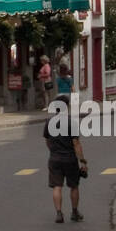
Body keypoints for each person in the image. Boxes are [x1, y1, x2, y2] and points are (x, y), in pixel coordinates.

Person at [44, 93, 88, 222]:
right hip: (70, 159)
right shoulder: (71, 122)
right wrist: (82, 161)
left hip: (54, 158)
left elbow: (47, 141)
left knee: (57, 186)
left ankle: (59, 213)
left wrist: (53, 151)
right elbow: (76, 143)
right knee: (74, 186)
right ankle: (74, 212)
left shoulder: (49, 122)